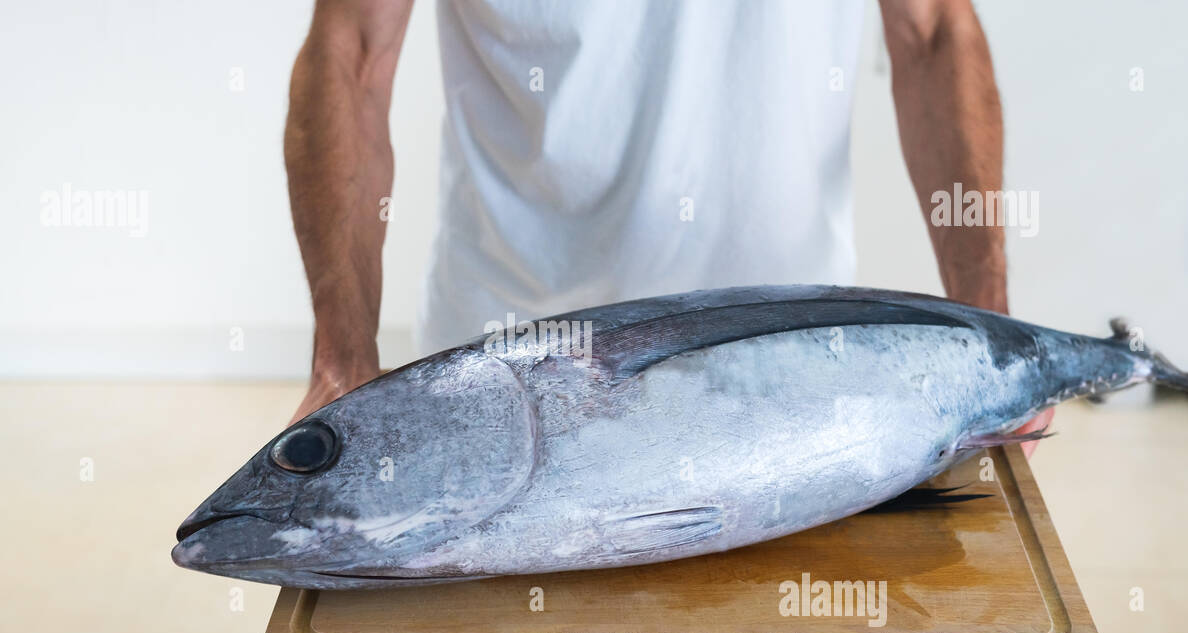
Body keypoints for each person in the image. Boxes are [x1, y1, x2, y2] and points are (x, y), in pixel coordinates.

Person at [283, 0, 1051, 451]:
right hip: (508, 378)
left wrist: (992, 332)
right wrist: (341, 359)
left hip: (792, 368)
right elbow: (351, 51)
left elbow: (933, 32)